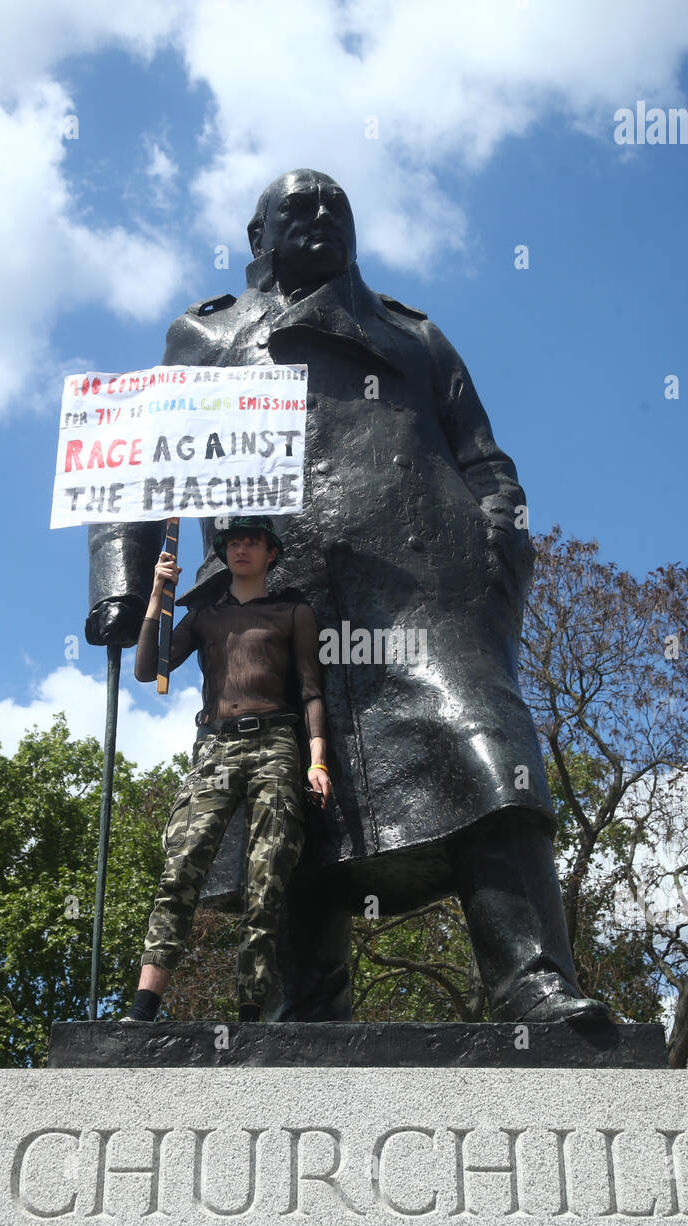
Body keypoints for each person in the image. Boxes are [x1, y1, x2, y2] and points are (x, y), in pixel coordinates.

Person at [88, 168, 610, 1026]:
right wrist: (120, 583)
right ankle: (302, 1018)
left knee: (491, 750)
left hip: (423, 595)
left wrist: (501, 542)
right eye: (300, 208)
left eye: (337, 205)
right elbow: (143, 471)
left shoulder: (413, 334)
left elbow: (483, 455)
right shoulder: (206, 336)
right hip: (273, 594)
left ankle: (532, 984)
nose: (324, 215)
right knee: (289, 810)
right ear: (259, 239)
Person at [120, 515, 331, 1023]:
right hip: (214, 747)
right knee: (180, 867)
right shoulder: (205, 617)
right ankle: (144, 1006)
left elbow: (310, 690)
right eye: (234, 542)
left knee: (267, 882)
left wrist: (318, 759)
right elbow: (149, 669)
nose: (242, 550)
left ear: (270, 553)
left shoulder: (292, 611)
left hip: (277, 745)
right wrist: (157, 595)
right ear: (223, 552)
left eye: (252, 542)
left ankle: (250, 1015)